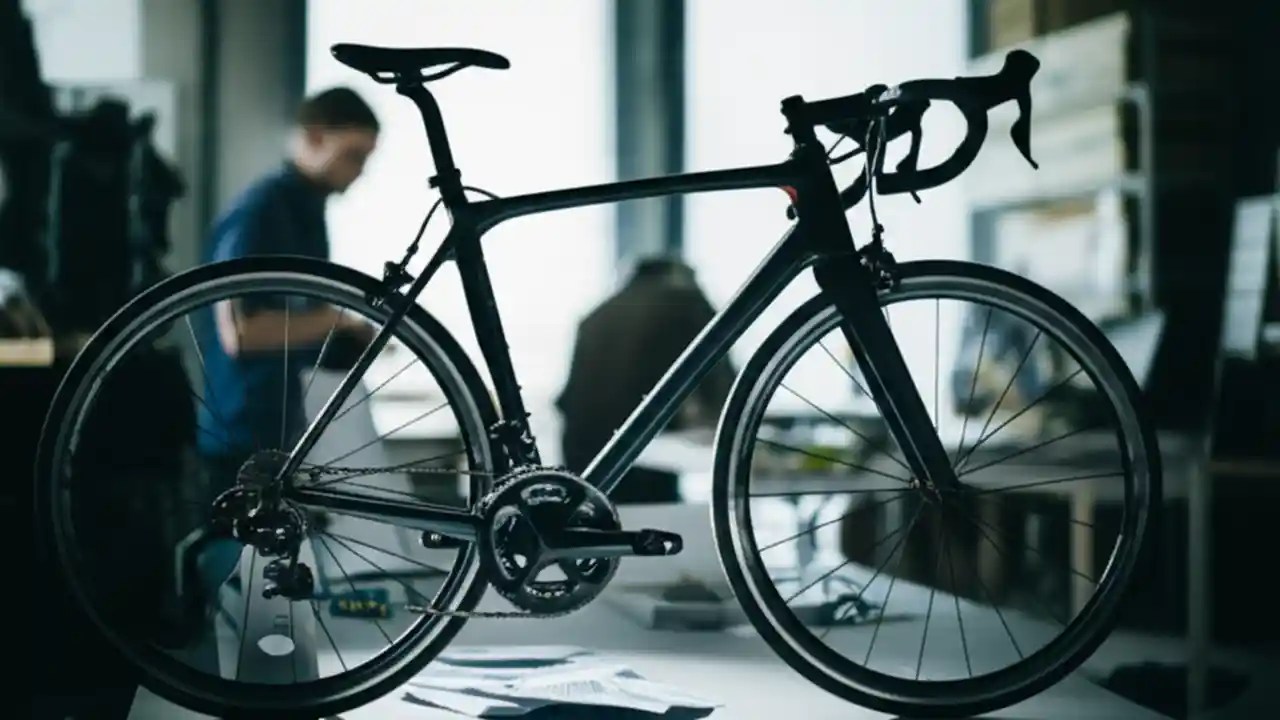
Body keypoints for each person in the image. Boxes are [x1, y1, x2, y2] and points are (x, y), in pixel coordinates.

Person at [178, 88, 381, 643]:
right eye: (353, 156)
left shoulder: (304, 209)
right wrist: (342, 322)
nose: (359, 173)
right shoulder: (264, 207)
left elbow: (294, 320)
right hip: (239, 423)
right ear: (314, 137)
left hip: (273, 418)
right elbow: (241, 330)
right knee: (238, 578)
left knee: (263, 579)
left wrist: (338, 331)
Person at [557, 256, 736, 504]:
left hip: (582, 462)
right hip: (641, 455)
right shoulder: (685, 301)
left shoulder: (598, 313)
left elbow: (568, 399)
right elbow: (725, 388)